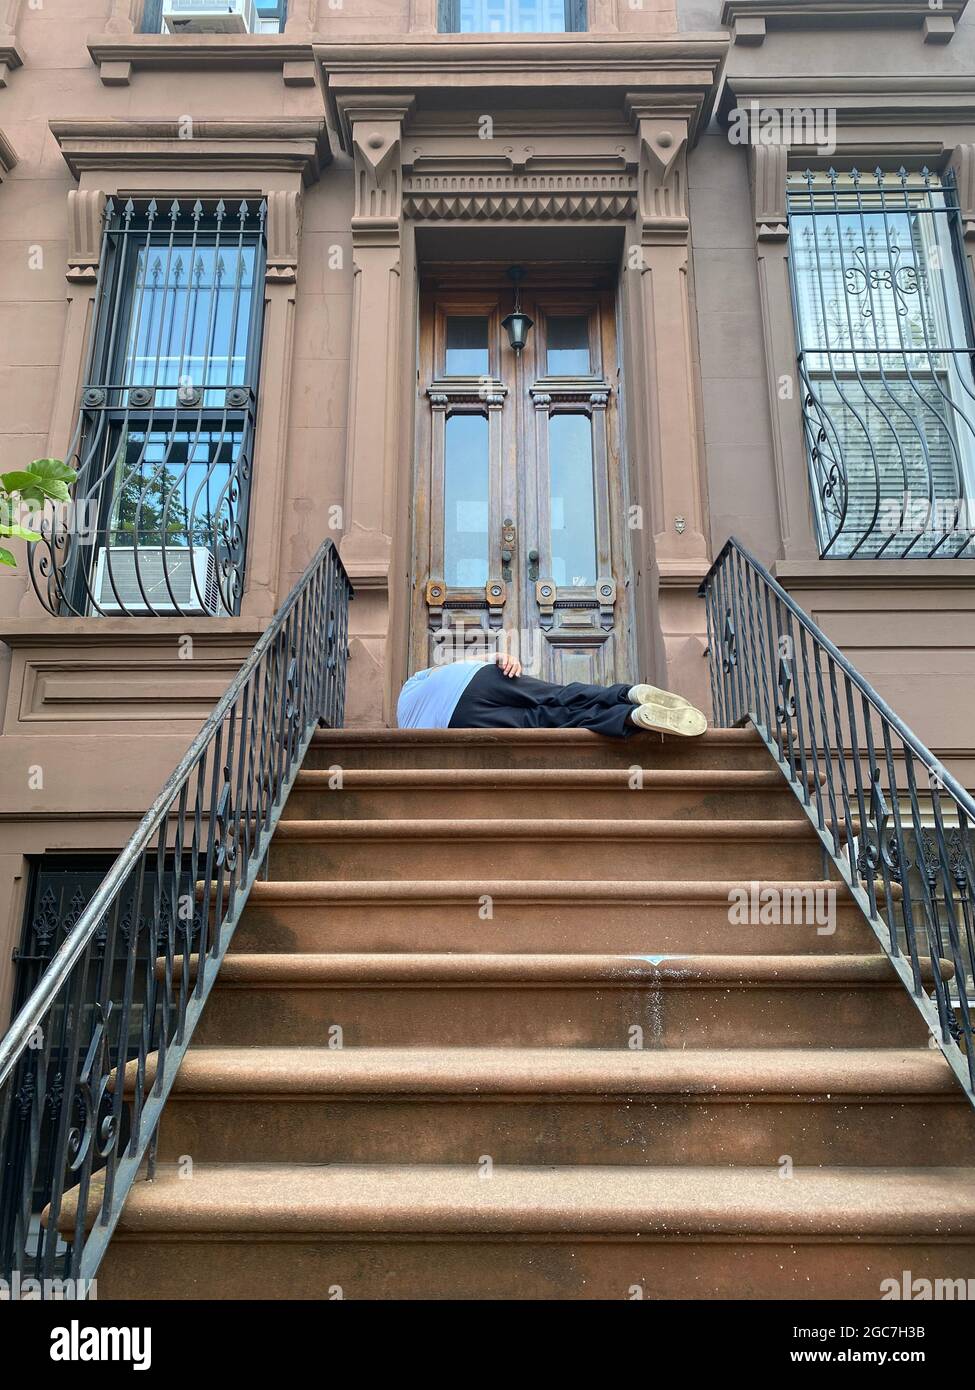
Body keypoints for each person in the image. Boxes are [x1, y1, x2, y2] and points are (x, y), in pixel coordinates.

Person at [396, 652, 707, 738]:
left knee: (548, 719)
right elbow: (448, 669)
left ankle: (630, 718)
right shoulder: (414, 681)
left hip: (457, 720)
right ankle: (627, 694)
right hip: (477, 678)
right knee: (559, 695)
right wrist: (496, 656)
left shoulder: (405, 725)